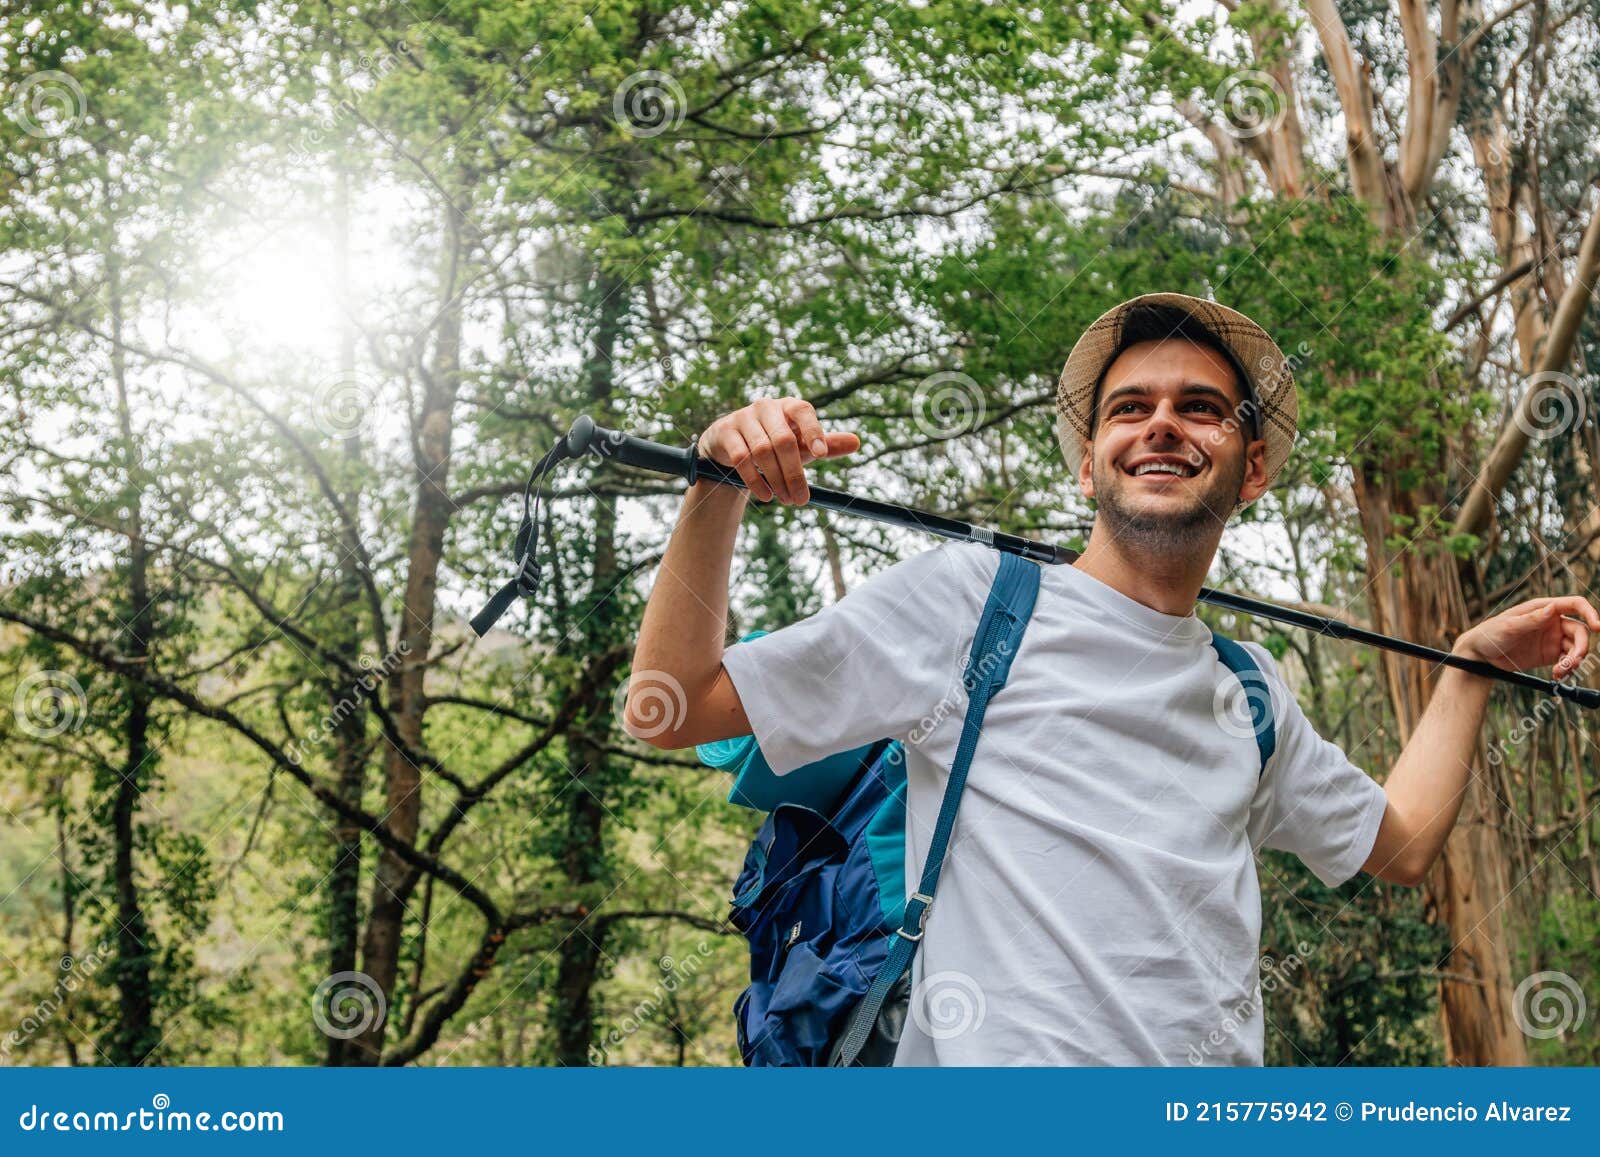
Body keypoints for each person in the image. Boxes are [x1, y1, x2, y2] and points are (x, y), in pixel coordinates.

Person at [624, 292, 1600, 1065]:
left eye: (1200, 408)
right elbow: (671, 706)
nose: (1161, 425)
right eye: (1130, 408)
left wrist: (1471, 665)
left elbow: (1404, 842)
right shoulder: (973, 602)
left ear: (1252, 466)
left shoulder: (1251, 691)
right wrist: (716, 482)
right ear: (1090, 465)